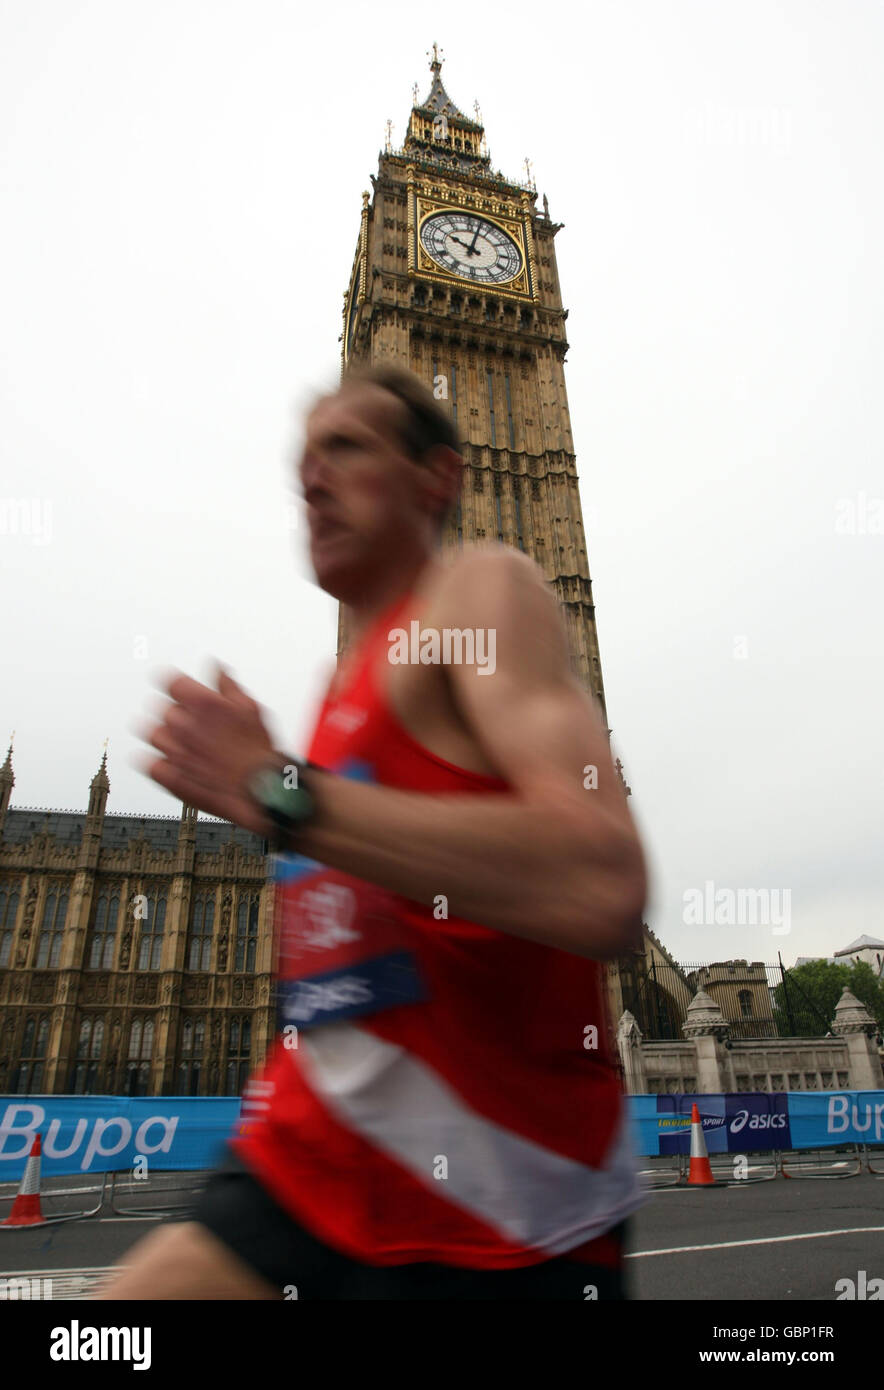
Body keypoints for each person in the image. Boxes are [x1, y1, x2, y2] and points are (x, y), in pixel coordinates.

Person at [100, 363, 648, 1300]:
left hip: (496, 1224)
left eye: (346, 448)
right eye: (303, 459)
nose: (310, 478)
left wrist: (279, 792)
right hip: (309, 1170)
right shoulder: (341, 689)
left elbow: (599, 884)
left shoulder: (481, 597)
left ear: (437, 477)